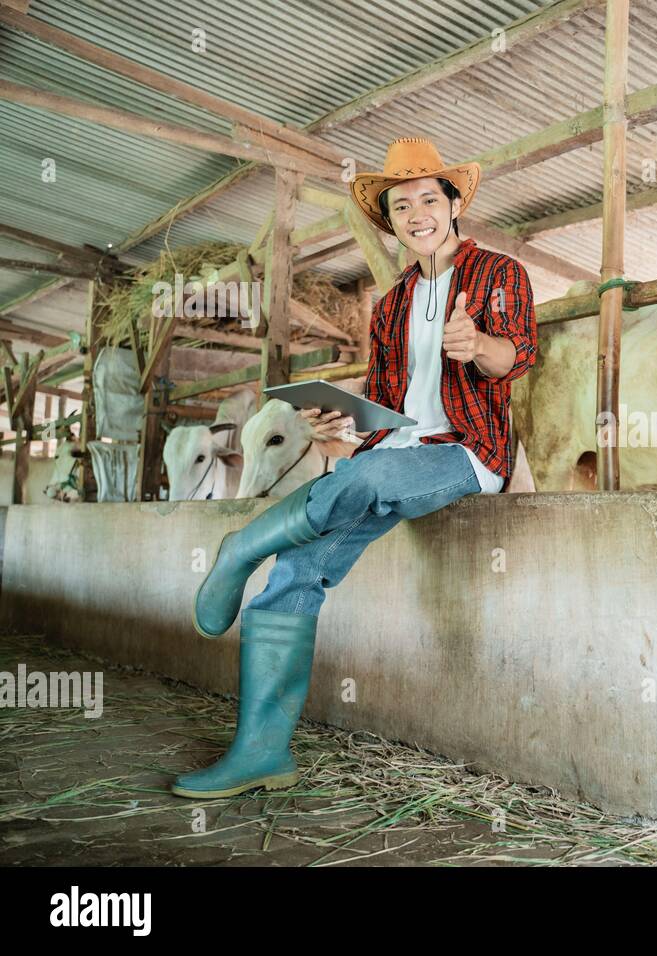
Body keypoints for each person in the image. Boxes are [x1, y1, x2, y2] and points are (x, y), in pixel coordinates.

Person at [173, 137, 537, 798]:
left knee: (359, 482)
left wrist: (476, 343)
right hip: (392, 451)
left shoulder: (499, 274)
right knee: (295, 572)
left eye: (430, 197)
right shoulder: (391, 304)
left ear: (454, 204)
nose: (417, 212)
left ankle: (240, 545)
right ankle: (261, 753)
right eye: (402, 204)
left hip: (466, 454)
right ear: (390, 220)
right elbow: (388, 404)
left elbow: (513, 359)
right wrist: (341, 423)